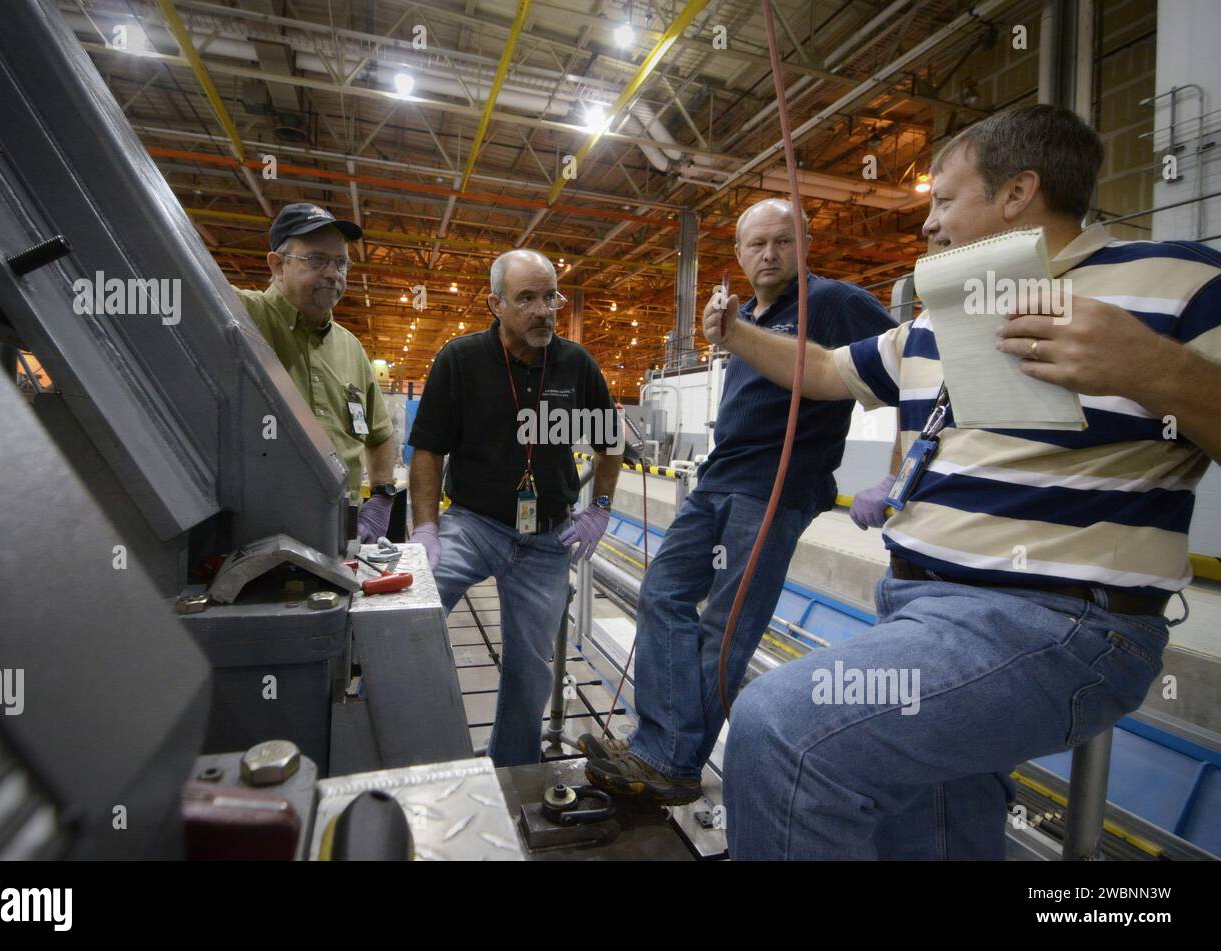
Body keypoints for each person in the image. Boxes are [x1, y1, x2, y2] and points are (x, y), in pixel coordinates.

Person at [711, 104, 1221, 859]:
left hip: (1053, 624)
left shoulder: (1177, 282)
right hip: (919, 611)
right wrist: (734, 334)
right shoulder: (940, 316)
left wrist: (1151, 367)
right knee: (931, 827)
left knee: (784, 726)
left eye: (944, 200)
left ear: (1017, 193)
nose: (928, 226)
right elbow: (823, 369)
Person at [580, 199, 896, 804]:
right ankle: (663, 746)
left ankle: (668, 759)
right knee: (663, 592)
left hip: (775, 487)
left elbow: (909, 369)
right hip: (718, 478)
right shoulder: (746, 313)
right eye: (757, 245)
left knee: (725, 628)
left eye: (783, 242)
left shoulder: (834, 302)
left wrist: (897, 471)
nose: (770, 254)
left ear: (804, 244)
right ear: (739, 254)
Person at [407, 249, 624, 767]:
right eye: (526, 299)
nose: (543, 310)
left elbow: (609, 442)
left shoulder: (576, 363)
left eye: (550, 297)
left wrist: (600, 508)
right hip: (473, 524)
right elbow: (428, 450)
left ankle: (512, 770)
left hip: (548, 538)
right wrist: (426, 529)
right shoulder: (459, 360)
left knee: (531, 668)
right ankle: (408, 748)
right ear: (495, 303)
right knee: (412, 614)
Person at [234, 203, 398, 542]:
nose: (332, 273)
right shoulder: (238, 315)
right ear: (277, 266)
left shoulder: (351, 348)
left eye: (341, 262)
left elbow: (379, 434)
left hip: (338, 531)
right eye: (316, 260)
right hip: (254, 531)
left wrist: (381, 498)